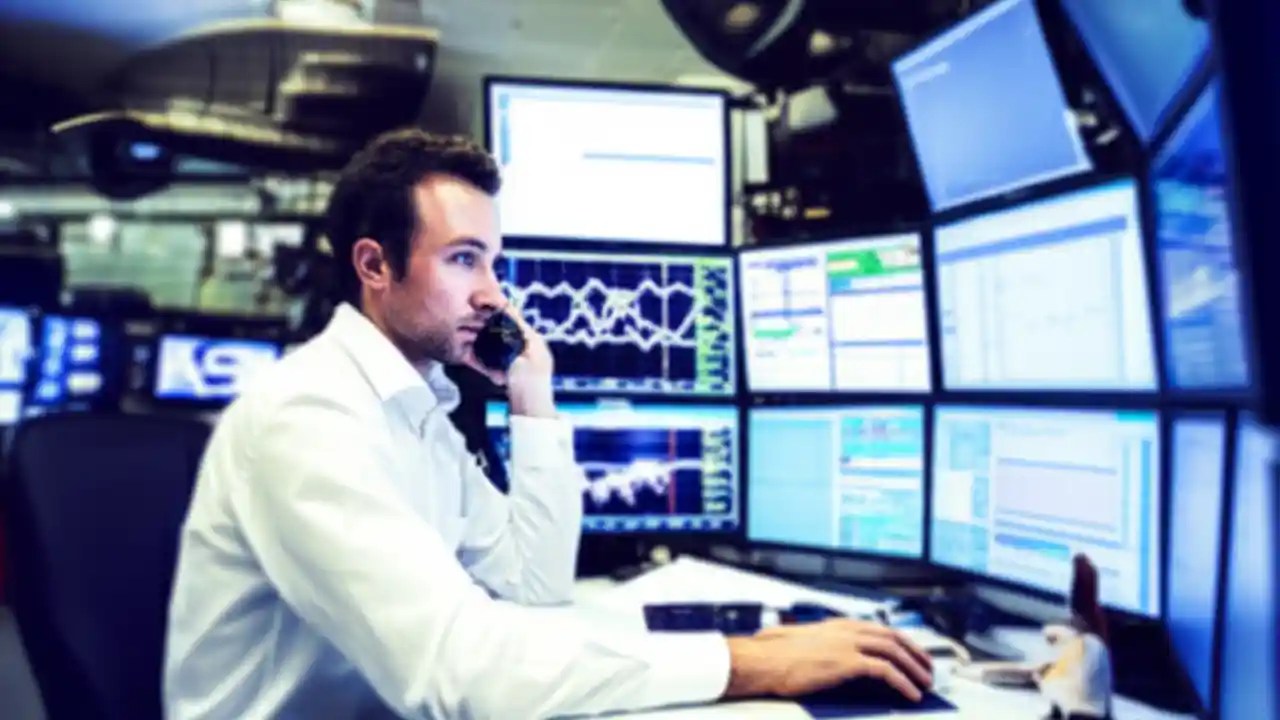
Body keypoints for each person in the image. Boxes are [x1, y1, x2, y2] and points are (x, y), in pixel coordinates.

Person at [163, 128, 934, 720]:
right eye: (465, 259)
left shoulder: (416, 409)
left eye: (494, 263)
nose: (493, 295)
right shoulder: (309, 421)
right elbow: (461, 675)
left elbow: (533, 588)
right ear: (375, 266)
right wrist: (748, 662)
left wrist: (533, 399)